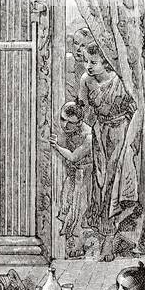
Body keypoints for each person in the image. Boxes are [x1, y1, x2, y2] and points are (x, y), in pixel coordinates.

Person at [74, 29, 139, 260]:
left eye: (94, 62)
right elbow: (81, 108)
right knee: (101, 182)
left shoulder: (120, 81)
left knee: (116, 181)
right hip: (100, 134)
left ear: (106, 63)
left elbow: (134, 109)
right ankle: (103, 233)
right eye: (86, 62)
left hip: (121, 133)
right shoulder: (86, 81)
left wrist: (132, 138)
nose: (89, 67)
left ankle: (110, 237)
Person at [51, 99, 95, 253]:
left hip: (86, 176)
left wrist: (56, 147)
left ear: (79, 122)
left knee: (79, 211)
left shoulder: (88, 136)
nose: (65, 125)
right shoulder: (67, 131)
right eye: (63, 120)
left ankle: (78, 246)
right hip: (73, 174)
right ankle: (71, 244)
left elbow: (73, 157)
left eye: (70, 123)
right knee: (67, 207)